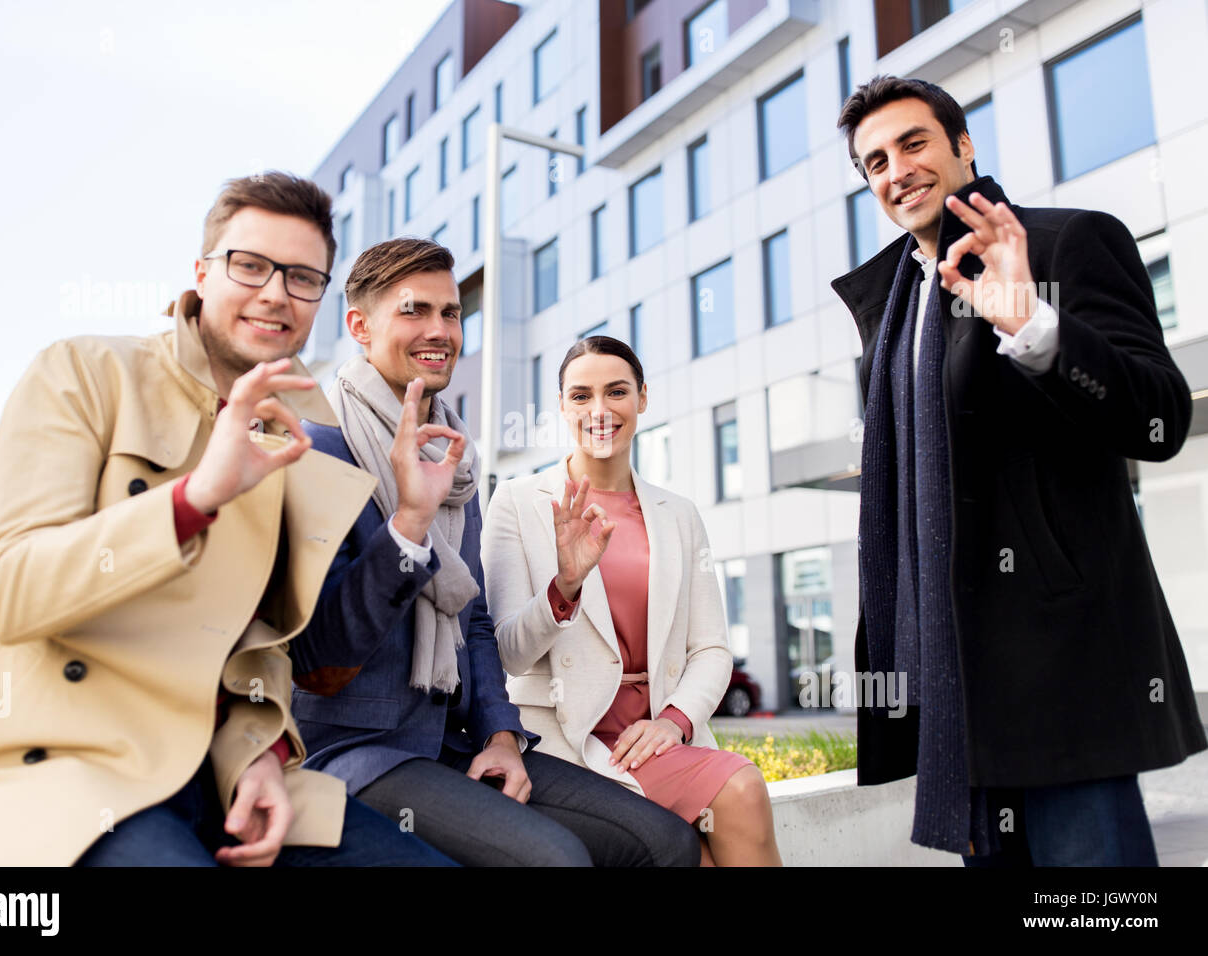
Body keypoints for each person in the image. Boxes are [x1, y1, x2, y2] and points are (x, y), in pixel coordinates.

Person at [0, 172, 453, 867]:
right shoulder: (86, 372)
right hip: (69, 770)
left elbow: (273, 652)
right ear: (201, 272)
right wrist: (193, 499)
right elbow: (11, 596)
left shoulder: (297, 440)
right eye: (251, 265)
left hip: (225, 779)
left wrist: (262, 752)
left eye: (302, 277)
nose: (275, 293)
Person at [831, 75, 1206, 865]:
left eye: (913, 143)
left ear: (964, 145)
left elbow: (1160, 418)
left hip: (1063, 667)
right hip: (953, 684)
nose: (895, 169)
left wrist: (1034, 323)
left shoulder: (1069, 242)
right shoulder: (893, 307)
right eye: (874, 162)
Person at [289, 238, 700, 866]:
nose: (439, 330)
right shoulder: (319, 450)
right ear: (359, 327)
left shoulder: (452, 463)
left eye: (451, 313)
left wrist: (502, 737)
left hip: (449, 743)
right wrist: (408, 521)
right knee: (554, 860)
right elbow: (316, 661)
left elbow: (473, 622)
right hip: (349, 750)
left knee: (665, 842)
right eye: (414, 311)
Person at [482, 336, 783, 867]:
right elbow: (505, 650)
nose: (599, 410)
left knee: (736, 796)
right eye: (581, 396)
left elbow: (711, 648)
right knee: (728, 809)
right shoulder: (516, 502)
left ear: (642, 398)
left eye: (616, 391)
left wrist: (673, 721)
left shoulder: (679, 513)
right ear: (562, 407)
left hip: (657, 735)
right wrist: (565, 587)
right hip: (567, 740)